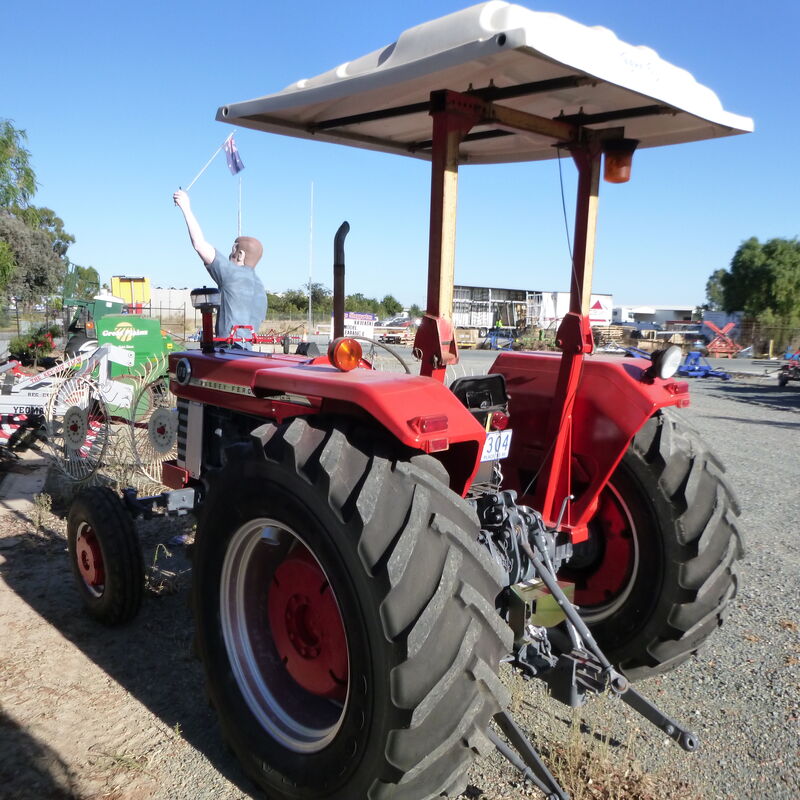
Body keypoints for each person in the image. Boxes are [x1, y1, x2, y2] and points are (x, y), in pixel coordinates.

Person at [173, 189, 266, 349]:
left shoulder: (232, 274)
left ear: (240, 254)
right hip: (248, 350)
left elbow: (199, 244)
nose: (230, 255)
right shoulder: (260, 289)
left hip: (229, 349)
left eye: (232, 251)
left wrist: (186, 207)